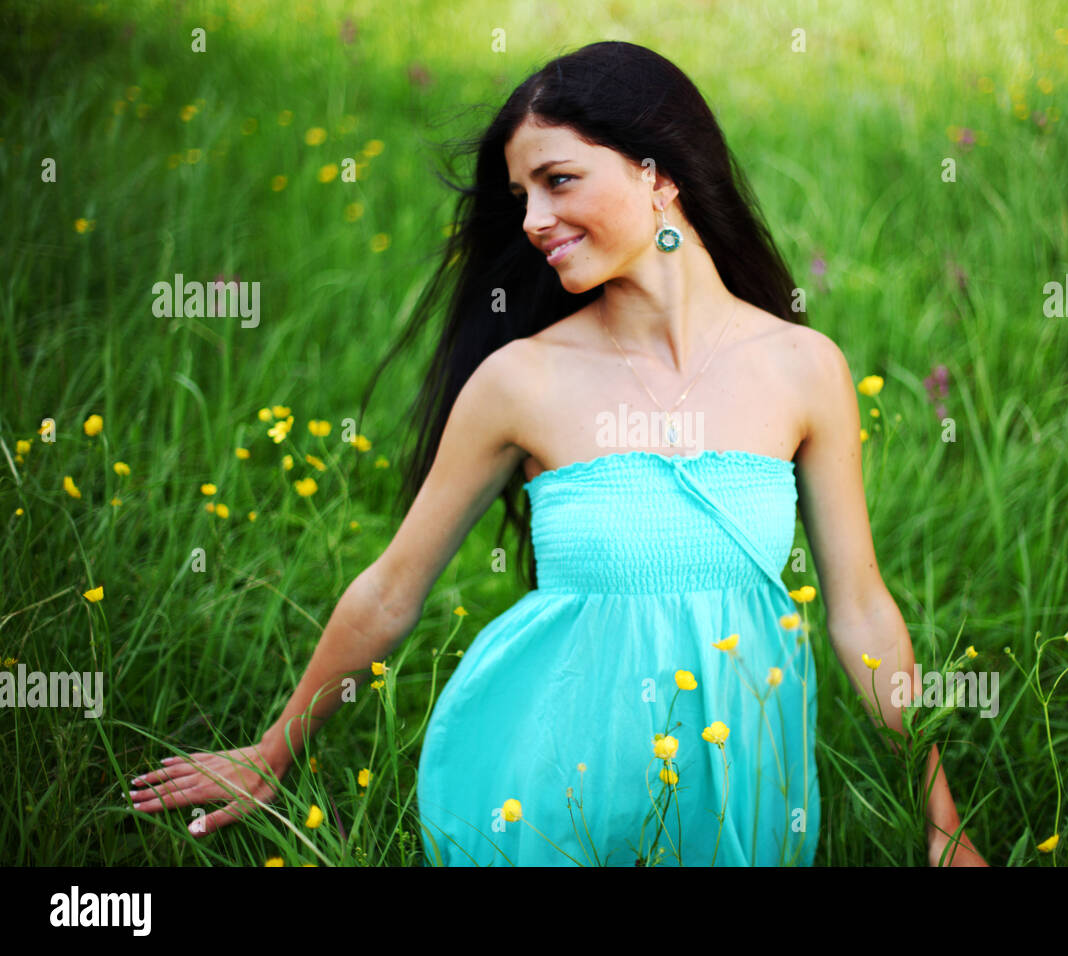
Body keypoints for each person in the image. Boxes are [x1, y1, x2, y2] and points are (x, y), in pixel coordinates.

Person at [129, 40, 986, 867]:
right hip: (552, 808)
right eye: (521, 196)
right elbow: (392, 590)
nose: (534, 221)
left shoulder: (803, 368)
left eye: (558, 180)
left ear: (657, 173)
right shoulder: (522, 382)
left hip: (742, 809)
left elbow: (861, 613)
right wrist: (272, 753)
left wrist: (941, 831)